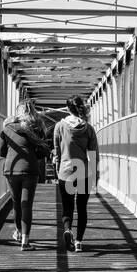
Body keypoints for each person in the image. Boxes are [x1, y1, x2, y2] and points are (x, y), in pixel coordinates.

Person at [0, 100, 49, 250]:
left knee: (17, 203)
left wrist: (12, 153)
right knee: (27, 204)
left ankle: (18, 232)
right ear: (32, 111)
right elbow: (43, 151)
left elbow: (0, 152)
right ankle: (25, 241)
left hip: (11, 170)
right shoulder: (36, 127)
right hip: (30, 169)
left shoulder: (7, 128)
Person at [53, 95, 100, 252]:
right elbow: (93, 155)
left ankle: (67, 230)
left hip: (65, 172)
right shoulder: (88, 128)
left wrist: (57, 171)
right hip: (83, 173)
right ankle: (79, 241)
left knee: (67, 208)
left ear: (67, 109)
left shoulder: (59, 126)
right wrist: (96, 174)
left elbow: (57, 153)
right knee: (82, 208)